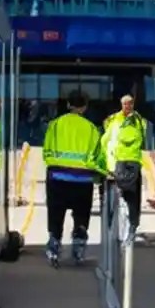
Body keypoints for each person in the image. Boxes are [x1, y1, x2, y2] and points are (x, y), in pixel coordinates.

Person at [41, 90, 106, 267]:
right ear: (85, 107)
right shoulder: (92, 128)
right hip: (83, 180)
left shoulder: (54, 125)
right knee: (81, 214)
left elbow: (46, 152)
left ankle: (54, 244)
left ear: (68, 105)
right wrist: (102, 173)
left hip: (57, 177)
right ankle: (78, 244)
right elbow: (98, 157)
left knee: (55, 213)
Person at [102, 94, 147, 229]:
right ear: (121, 105)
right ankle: (127, 222)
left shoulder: (137, 120)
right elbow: (106, 140)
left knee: (129, 196)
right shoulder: (115, 120)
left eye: (130, 103)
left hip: (126, 162)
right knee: (126, 196)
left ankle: (131, 223)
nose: (128, 106)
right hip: (117, 162)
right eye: (125, 104)